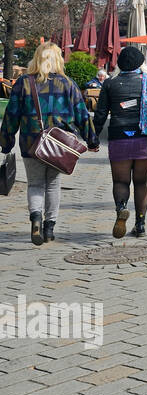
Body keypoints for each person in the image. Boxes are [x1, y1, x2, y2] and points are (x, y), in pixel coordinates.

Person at [0, 42, 99, 245]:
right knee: (53, 184)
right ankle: (50, 228)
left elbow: (11, 116)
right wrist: (92, 140)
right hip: (59, 146)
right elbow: (82, 114)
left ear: (36, 58)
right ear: (58, 60)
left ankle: (36, 219)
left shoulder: (23, 83)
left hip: (30, 143)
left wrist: (6, 142)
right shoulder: (68, 83)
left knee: (35, 184)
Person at [93, 45, 147, 239]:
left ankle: (121, 208)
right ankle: (140, 224)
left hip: (119, 138)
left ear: (120, 65)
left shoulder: (109, 84)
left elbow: (100, 115)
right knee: (141, 182)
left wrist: (93, 139)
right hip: (145, 139)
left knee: (120, 181)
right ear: (141, 63)